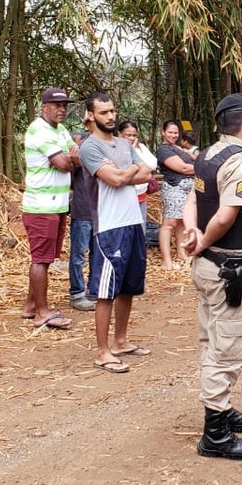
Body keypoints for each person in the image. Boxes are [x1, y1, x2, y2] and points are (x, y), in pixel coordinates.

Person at [181, 93, 242, 460]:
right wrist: (202, 241)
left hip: (208, 267)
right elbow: (226, 215)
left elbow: (193, 201)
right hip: (228, 268)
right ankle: (215, 433)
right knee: (226, 347)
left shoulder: (209, 155)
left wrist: (191, 234)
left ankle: (223, 409)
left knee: (213, 339)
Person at [77, 93, 153, 373]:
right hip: (109, 226)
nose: (110, 116)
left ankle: (120, 341)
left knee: (128, 288)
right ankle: (102, 351)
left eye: (112, 111)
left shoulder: (122, 143)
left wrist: (126, 171)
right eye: (103, 112)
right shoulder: (89, 147)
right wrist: (129, 171)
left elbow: (147, 173)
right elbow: (117, 179)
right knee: (106, 291)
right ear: (90, 115)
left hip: (133, 221)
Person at [21, 87, 77, 331]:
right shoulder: (38, 129)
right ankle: (43, 312)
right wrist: (70, 156)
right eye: (56, 105)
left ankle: (31, 305)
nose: (61, 109)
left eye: (64, 105)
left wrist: (72, 156)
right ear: (44, 107)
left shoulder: (60, 130)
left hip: (57, 205)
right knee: (41, 259)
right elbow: (66, 162)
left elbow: (76, 155)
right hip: (41, 206)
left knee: (46, 257)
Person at [156, 120, 196, 269]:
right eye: (170, 132)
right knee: (169, 223)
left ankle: (182, 253)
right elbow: (183, 168)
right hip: (174, 188)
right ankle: (166, 261)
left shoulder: (178, 147)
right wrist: (200, 167)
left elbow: (194, 159)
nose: (173, 135)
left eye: (175, 132)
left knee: (181, 222)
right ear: (163, 132)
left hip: (186, 189)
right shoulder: (164, 150)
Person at [68, 112, 97, 312]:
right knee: (79, 254)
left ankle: (94, 289)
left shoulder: (111, 144)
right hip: (83, 207)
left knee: (98, 253)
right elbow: (72, 166)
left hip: (102, 210)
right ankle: (77, 292)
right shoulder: (81, 147)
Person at [119, 120, 159, 225]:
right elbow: (123, 168)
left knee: (141, 227)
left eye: (134, 135)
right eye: (128, 135)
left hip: (141, 192)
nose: (132, 138)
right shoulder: (115, 149)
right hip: (124, 195)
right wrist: (139, 163)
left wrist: (135, 160)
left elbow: (152, 164)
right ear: (119, 134)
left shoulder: (141, 147)